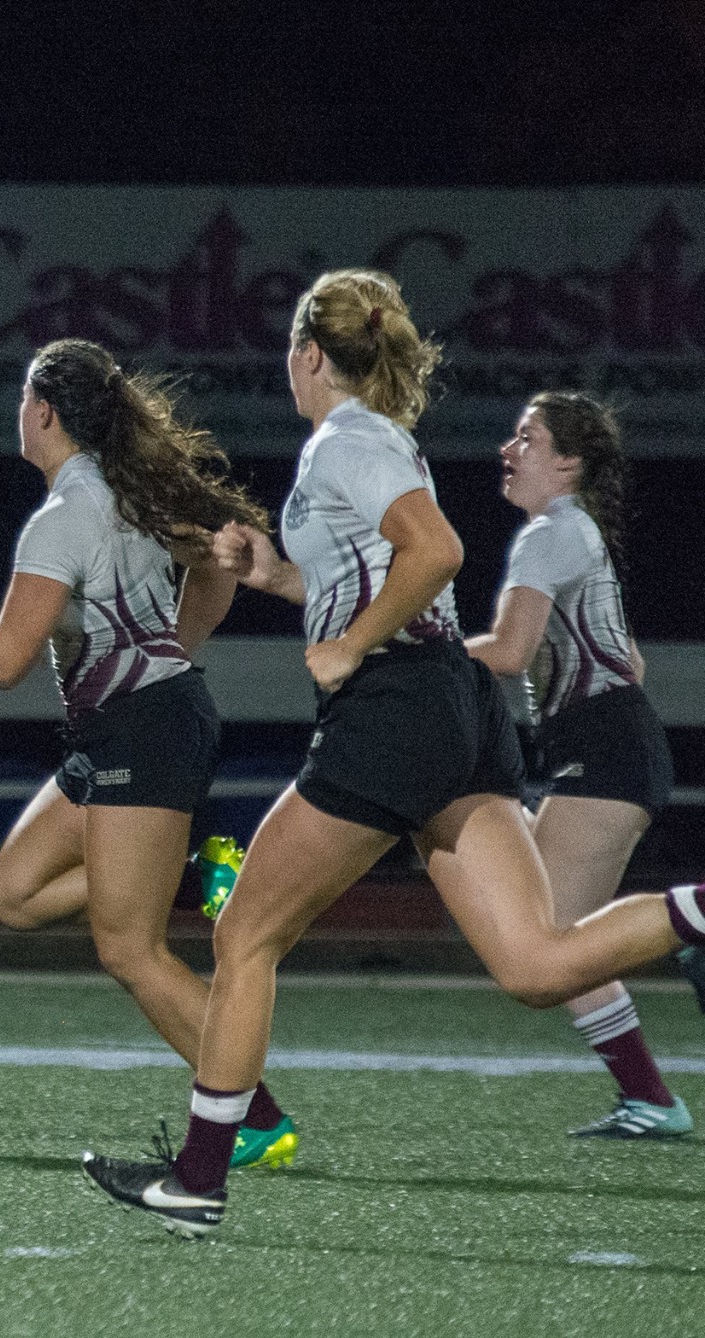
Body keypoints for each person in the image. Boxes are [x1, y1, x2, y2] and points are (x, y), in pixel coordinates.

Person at [80, 270, 704, 1238]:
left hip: (400, 703)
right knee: (536, 966)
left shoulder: (344, 440)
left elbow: (436, 552)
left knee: (242, 938)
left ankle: (198, 1181)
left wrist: (348, 643)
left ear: (305, 354)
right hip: (453, 700)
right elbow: (369, 575)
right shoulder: (371, 440)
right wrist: (272, 574)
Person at [0, 337, 299, 1170]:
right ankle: (193, 873)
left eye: (22, 404)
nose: (17, 418)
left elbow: (2, 662)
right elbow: (214, 563)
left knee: (128, 950)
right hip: (128, 727)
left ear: (43, 412)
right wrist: (177, 645)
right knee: (14, 893)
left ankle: (258, 1118)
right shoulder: (127, 494)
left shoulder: (64, 518)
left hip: (147, 728)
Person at [465, 391, 686, 1137]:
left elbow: (508, 652)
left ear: (567, 462)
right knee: (561, 939)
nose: (508, 447)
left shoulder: (550, 535)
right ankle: (650, 1099)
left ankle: (690, 926)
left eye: (527, 437)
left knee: (547, 941)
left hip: (604, 752)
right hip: (607, 747)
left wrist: (403, 651)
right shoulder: (571, 531)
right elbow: (633, 662)